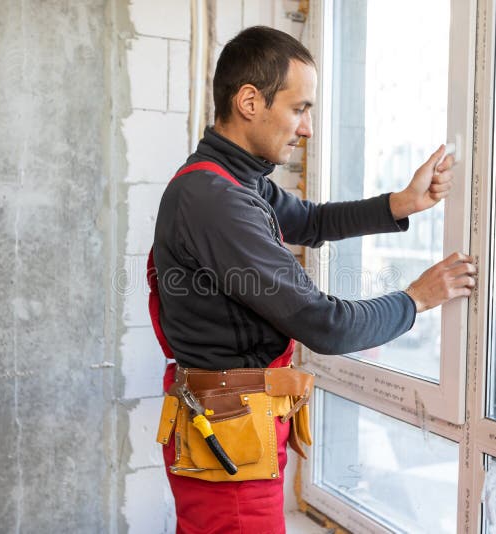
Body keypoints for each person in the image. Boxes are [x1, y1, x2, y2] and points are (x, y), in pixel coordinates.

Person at [150, 25, 476, 534]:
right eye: (299, 108)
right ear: (250, 101)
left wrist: (402, 203)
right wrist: (417, 299)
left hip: (233, 432)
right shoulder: (218, 201)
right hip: (228, 440)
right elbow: (325, 325)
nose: (306, 129)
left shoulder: (234, 181)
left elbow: (314, 220)